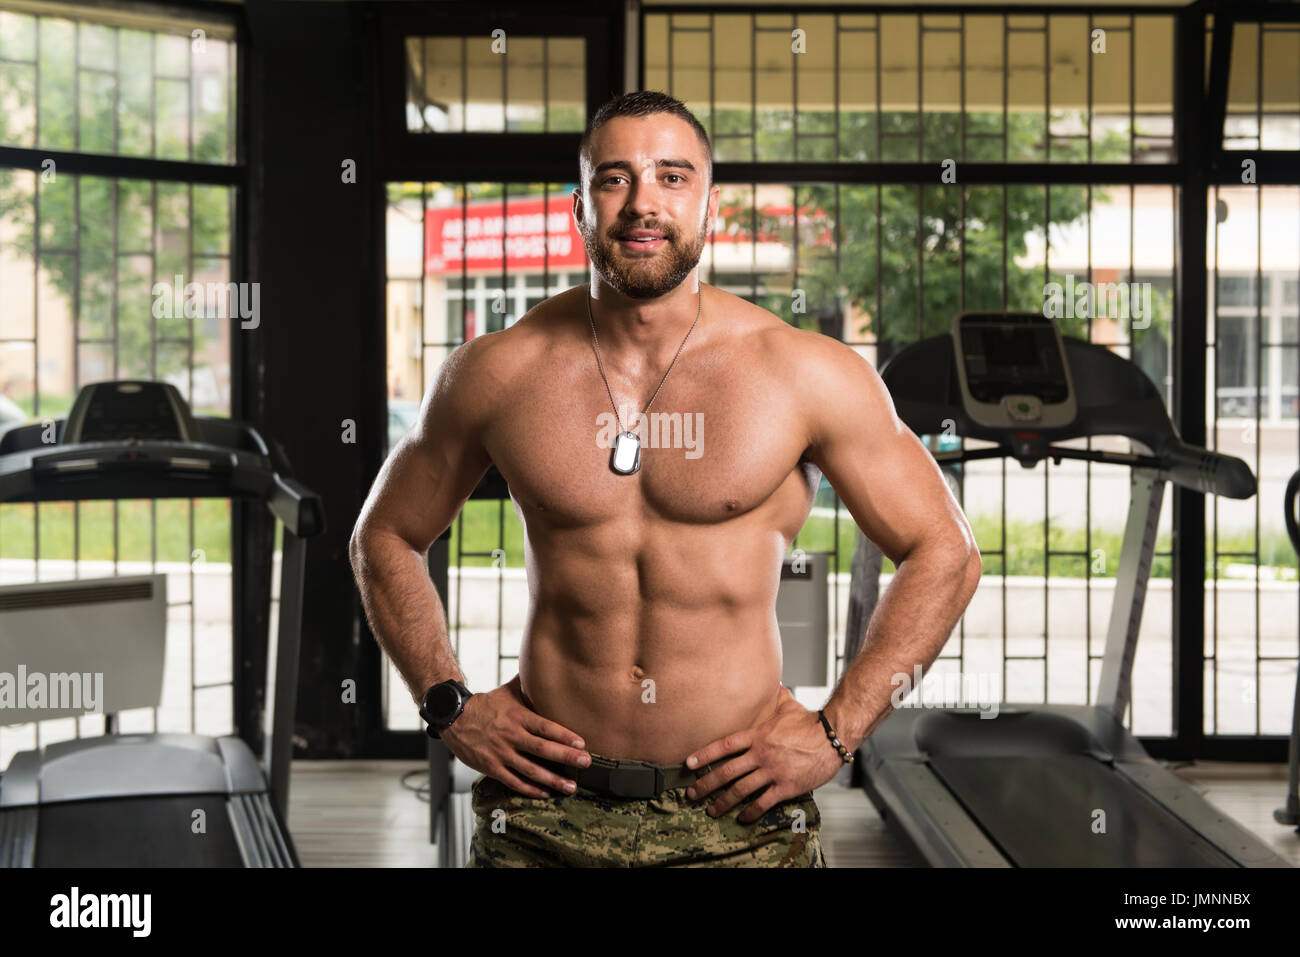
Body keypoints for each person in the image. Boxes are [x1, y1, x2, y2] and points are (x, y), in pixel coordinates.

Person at [349, 90, 982, 867]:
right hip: (546, 808)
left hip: (740, 810)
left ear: (711, 207)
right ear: (578, 208)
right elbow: (383, 535)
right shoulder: (498, 371)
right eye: (614, 178)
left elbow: (943, 550)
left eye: (673, 177)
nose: (644, 203)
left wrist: (834, 732)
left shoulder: (805, 373)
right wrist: (448, 703)